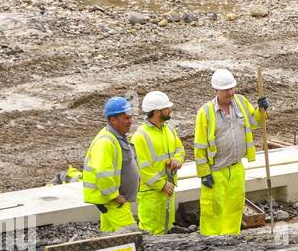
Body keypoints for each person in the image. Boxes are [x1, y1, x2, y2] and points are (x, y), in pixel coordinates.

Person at [193, 69, 269, 236]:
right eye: (226, 90)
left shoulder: (241, 102)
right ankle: (210, 241)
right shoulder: (205, 112)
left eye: (232, 88)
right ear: (216, 90)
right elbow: (200, 146)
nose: (231, 92)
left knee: (234, 207)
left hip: (236, 168)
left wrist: (261, 110)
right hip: (216, 170)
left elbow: (255, 122)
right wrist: (204, 173)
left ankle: (232, 238)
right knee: (214, 210)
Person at [81, 97, 139, 233]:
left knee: (110, 237)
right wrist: (114, 195)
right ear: (113, 120)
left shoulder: (118, 137)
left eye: (130, 117)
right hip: (113, 202)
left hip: (113, 200)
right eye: (126, 118)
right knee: (131, 236)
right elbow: (102, 173)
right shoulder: (106, 142)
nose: (130, 121)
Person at [133, 90, 185, 235]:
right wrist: (162, 185)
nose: (170, 110)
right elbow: (143, 168)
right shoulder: (140, 136)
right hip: (151, 195)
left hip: (167, 191)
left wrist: (177, 160)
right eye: (166, 108)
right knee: (152, 234)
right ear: (156, 112)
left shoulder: (169, 130)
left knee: (167, 231)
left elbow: (180, 149)